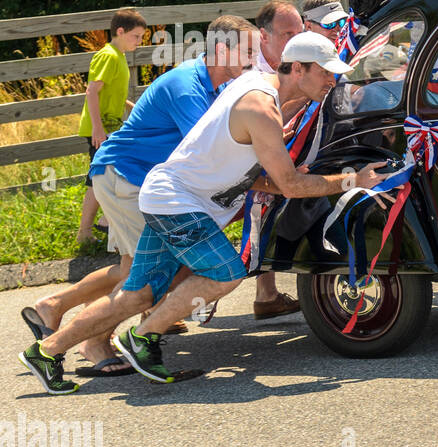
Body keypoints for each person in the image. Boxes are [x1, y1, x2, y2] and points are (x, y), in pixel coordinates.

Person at [19, 32, 389, 393]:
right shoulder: (261, 108)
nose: (332, 79)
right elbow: (291, 185)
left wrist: (287, 172)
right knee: (226, 272)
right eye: (324, 71)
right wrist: (352, 180)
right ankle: (142, 338)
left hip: (167, 197)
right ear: (298, 69)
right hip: (178, 202)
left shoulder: (259, 87)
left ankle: (45, 352)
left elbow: (258, 178)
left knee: (137, 296)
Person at [20, 16, 260, 376]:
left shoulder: (215, 84)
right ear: (222, 50)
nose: (255, 58)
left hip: (137, 180)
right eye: (249, 50)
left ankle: (52, 306)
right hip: (128, 178)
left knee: (130, 268)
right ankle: (92, 343)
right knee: (141, 279)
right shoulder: (189, 87)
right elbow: (212, 148)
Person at [250, 0, 306, 318]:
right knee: (263, 195)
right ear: (263, 36)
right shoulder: (250, 70)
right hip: (225, 163)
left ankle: (267, 294)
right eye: (287, 33)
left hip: (262, 153)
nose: (295, 39)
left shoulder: (288, 60)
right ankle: (158, 305)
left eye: (299, 32)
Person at [76, 8, 147, 246]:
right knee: (98, 178)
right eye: (136, 36)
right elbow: (92, 91)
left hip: (110, 128)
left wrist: (131, 106)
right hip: (101, 130)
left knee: (111, 173)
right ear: (120, 31)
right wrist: (97, 129)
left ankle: (108, 223)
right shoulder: (108, 55)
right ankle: (86, 232)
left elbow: (110, 92)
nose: (139, 42)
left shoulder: (118, 56)